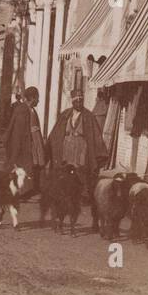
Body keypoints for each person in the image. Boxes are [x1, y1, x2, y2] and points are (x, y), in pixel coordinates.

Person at [47, 90, 108, 227]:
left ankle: (84, 200)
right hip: (66, 151)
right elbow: (55, 133)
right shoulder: (65, 115)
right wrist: (50, 149)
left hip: (81, 152)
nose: (79, 103)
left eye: (81, 100)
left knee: (83, 177)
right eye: (77, 101)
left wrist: (99, 155)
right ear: (72, 101)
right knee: (63, 179)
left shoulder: (89, 116)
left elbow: (96, 137)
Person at [3, 86, 45, 194]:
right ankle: (14, 191)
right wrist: (18, 148)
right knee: (19, 166)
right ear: (32, 98)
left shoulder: (31, 110)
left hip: (32, 143)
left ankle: (27, 189)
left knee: (32, 166)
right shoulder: (22, 110)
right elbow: (18, 132)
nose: (39, 100)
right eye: (37, 98)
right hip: (23, 144)